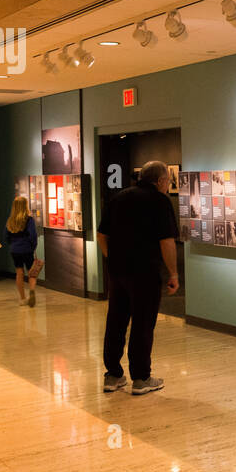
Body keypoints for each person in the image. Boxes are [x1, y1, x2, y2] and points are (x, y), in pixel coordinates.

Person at [96, 160, 179, 395]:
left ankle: (113, 375)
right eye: (168, 181)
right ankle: (141, 378)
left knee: (116, 321)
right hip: (145, 272)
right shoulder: (160, 201)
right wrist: (173, 273)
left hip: (118, 271)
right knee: (143, 324)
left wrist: (112, 257)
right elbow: (167, 241)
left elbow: (102, 234)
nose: (167, 185)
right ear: (161, 180)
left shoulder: (119, 197)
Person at [5, 196, 43, 307]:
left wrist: (12, 244)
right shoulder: (29, 220)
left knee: (19, 273)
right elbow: (33, 235)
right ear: (25, 206)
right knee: (31, 272)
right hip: (27, 249)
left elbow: (6, 236)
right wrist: (33, 246)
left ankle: (22, 298)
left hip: (15, 250)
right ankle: (31, 290)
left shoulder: (10, 220)